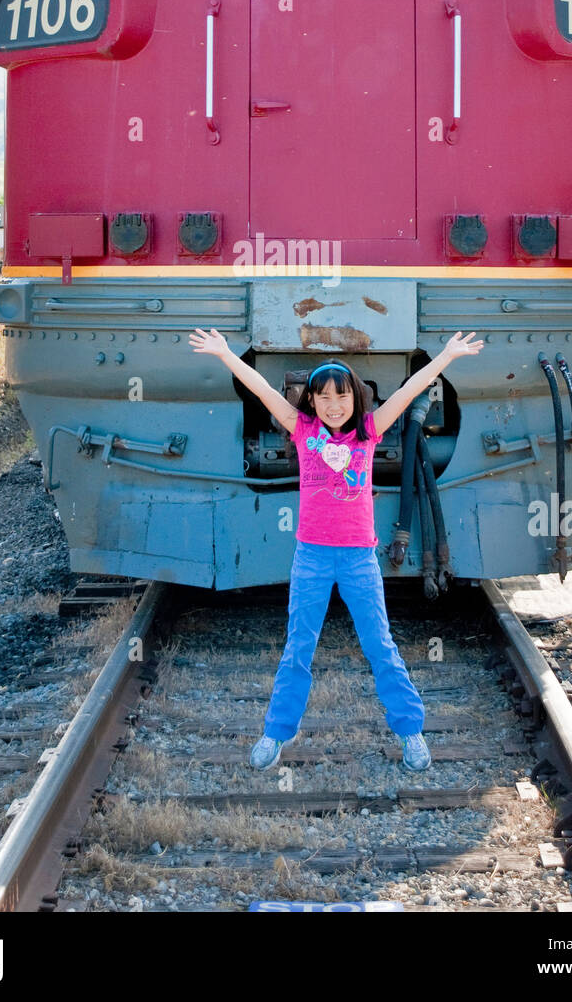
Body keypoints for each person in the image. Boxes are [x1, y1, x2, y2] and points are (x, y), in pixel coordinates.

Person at [187, 327, 484, 771]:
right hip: (311, 556)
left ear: (355, 400)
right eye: (322, 397)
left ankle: (411, 732)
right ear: (311, 402)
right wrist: (227, 354)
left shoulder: (368, 431)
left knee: (380, 646)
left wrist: (445, 357)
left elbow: (408, 391)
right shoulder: (302, 429)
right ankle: (275, 734)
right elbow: (263, 389)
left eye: (341, 396)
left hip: (359, 558)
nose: (332, 405)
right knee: (298, 648)